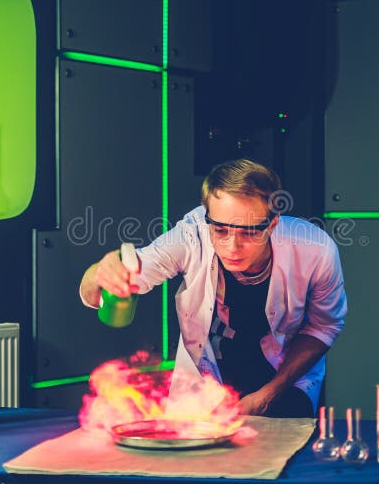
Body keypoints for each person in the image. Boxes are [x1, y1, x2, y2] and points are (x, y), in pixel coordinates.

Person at [79, 159, 348, 417]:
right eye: (220, 231)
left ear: (273, 224)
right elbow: (133, 270)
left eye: (249, 232)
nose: (232, 247)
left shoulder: (316, 251)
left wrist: (268, 395)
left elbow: (324, 327)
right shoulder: (191, 234)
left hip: (284, 380)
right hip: (206, 381)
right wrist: (101, 272)